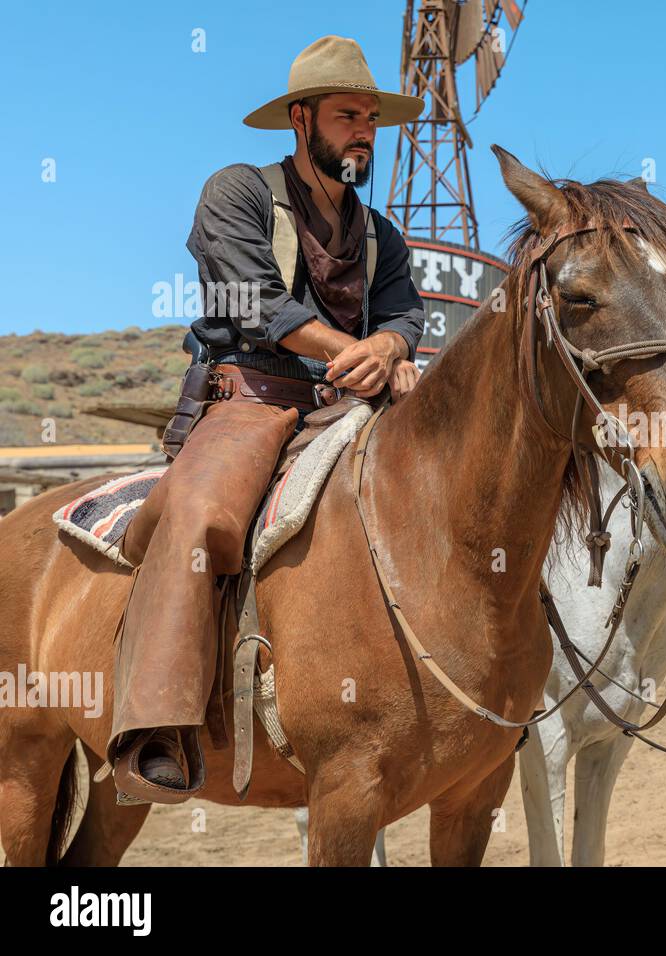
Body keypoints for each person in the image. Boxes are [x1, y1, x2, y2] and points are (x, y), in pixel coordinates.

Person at [104, 36, 427, 805]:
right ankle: (155, 726)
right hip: (248, 398)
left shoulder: (378, 232)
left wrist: (388, 345)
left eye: (372, 119)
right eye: (347, 114)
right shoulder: (237, 191)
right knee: (198, 513)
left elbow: (408, 310)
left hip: (346, 402)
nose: (362, 132)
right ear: (298, 120)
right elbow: (257, 303)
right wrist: (360, 350)